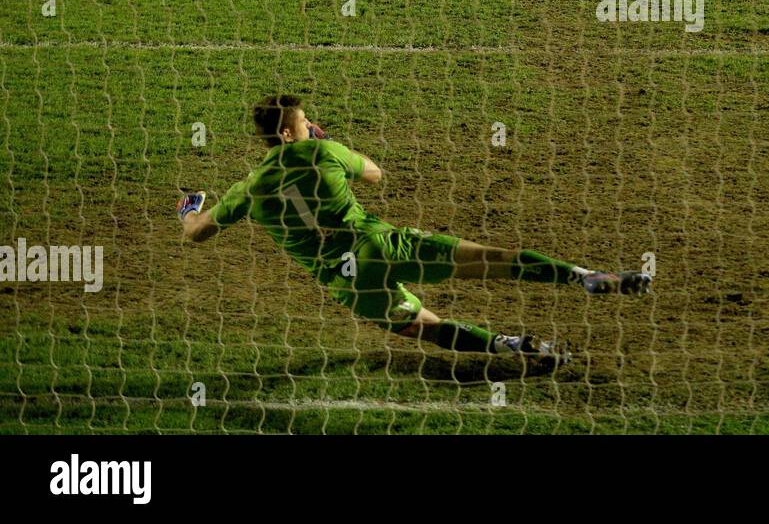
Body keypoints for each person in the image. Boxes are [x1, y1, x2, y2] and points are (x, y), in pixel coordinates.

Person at [177, 94, 650, 367]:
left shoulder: (247, 190)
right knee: (491, 259)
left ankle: (514, 347)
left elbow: (196, 234)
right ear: (287, 133)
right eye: (305, 122)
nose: (312, 126)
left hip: (346, 283)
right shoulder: (322, 151)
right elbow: (375, 175)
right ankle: (584, 277)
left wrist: (188, 208)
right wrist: (323, 143)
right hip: (378, 245)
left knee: (423, 326)